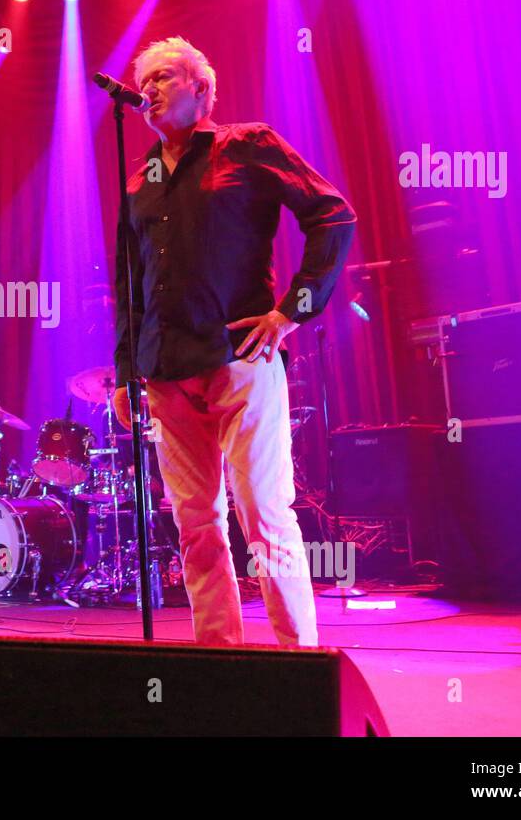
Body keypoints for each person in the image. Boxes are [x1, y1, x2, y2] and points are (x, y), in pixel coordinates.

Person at [112, 37, 357, 647]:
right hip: (164, 370)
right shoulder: (140, 177)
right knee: (196, 525)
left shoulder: (246, 145)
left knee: (264, 515)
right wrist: (124, 372)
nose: (151, 89)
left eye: (165, 77)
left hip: (238, 360)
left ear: (201, 88)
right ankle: (218, 657)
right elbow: (128, 281)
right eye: (146, 79)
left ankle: (299, 661)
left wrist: (291, 311)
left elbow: (333, 214)